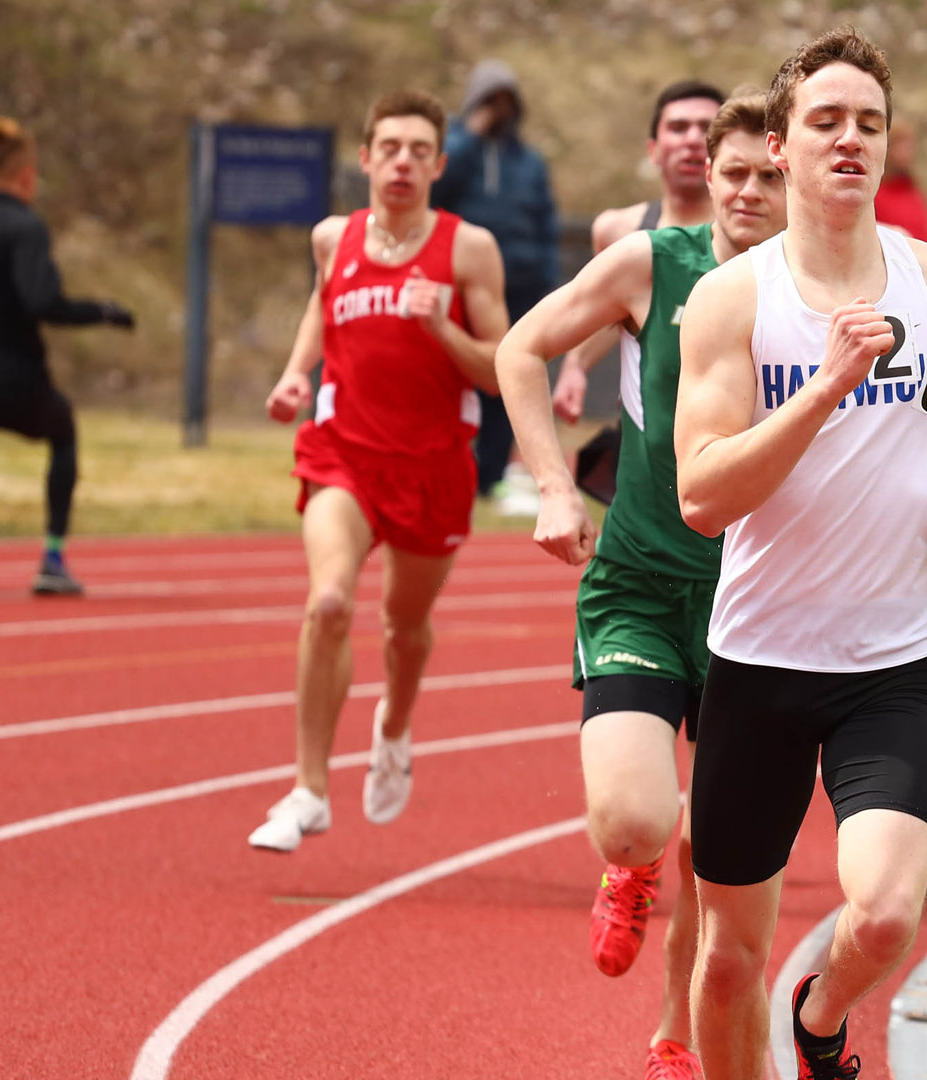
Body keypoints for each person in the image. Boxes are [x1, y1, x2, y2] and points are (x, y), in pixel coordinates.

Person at [673, 28, 927, 1080]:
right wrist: (823, 388)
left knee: (889, 915)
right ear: (786, 143)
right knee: (725, 967)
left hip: (895, 662)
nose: (850, 139)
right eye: (827, 122)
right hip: (759, 662)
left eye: (869, 123)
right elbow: (702, 496)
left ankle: (817, 1019)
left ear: (887, 146)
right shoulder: (732, 300)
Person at [496, 94, 780, 1080]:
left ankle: (670, 1036)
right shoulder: (652, 265)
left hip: (766, 607)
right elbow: (520, 351)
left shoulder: (833, 292)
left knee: (722, 854)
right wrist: (554, 486)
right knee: (638, 818)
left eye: (766, 174)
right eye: (729, 170)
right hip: (644, 585)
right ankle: (626, 865)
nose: (744, 190)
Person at [250, 90, 509, 852]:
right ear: (365, 158)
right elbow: (318, 307)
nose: (402, 161)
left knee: (404, 626)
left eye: (418, 150)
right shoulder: (334, 238)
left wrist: (439, 327)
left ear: (439, 164)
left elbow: (498, 369)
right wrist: (298, 374)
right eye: (389, 147)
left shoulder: (469, 250)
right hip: (343, 454)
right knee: (329, 602)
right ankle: (307, 789)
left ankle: (393, 726)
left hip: (432, 468)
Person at [0, 115, 135, 596]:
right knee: (62, 429)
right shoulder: (24, 227)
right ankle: (51, 556)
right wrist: (104, 312)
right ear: (26, 176)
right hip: (15, 379)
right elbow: (42, 301)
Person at [550, 81, 725, 431]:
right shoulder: (617, 230)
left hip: (728, 415)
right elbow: (609, 311)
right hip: (645, 421)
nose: (693, 138)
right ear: (653, 150)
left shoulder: (762, 233)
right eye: (678, 127)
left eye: (706, 128)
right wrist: (575, 366)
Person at [430, 60, 559, 516]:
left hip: (522, 283)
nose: (499, 110)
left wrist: (547, 280)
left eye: (506, 101)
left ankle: (493, 477)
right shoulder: (456, 148)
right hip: (467, 281)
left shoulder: (528, 160)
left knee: (511, 379)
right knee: (465, 374)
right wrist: (469, 131)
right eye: (490, 100)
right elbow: (435, 190)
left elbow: (546, 222)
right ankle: (457, 470)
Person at [873, 113, 927, 242]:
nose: (906, 151)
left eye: (909, 145)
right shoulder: (874, 192)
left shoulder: (912, 188)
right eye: (899, 145)